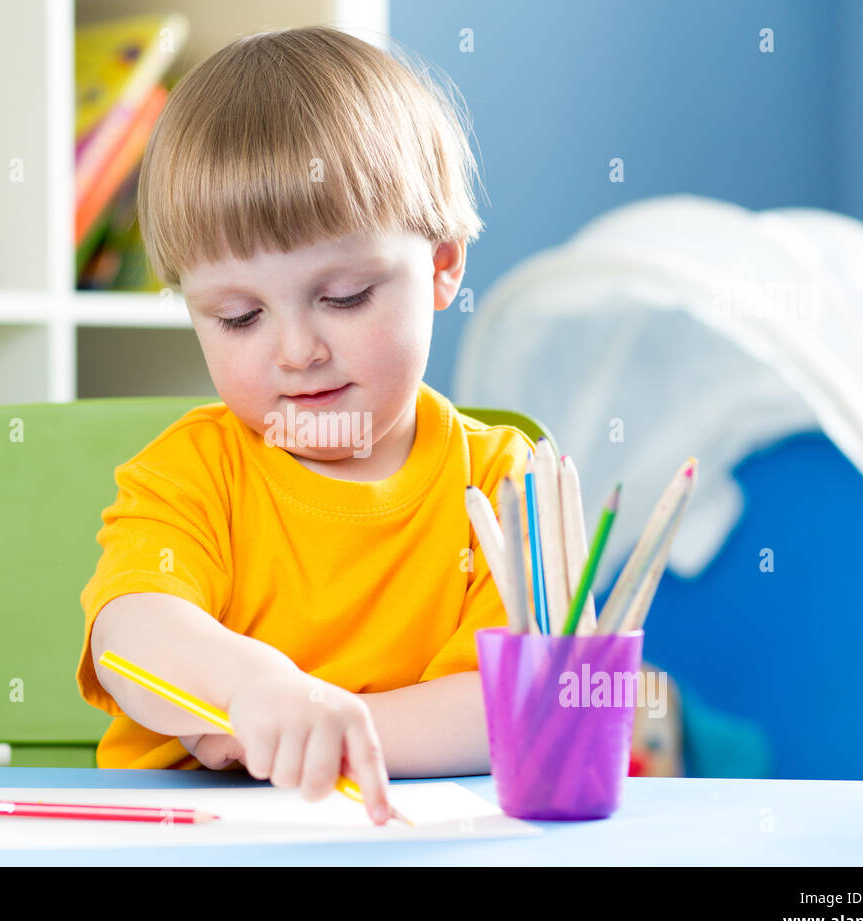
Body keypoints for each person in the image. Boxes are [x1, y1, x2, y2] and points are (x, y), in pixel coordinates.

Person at [76, 26, 536, 825]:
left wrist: (320, 734)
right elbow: (127, 637)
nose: (297, 351)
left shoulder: (503, 481)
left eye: (345, 296)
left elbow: (515, 700)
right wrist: (250, 688)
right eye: (239, 315)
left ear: (441, 266)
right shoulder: (191, 474)